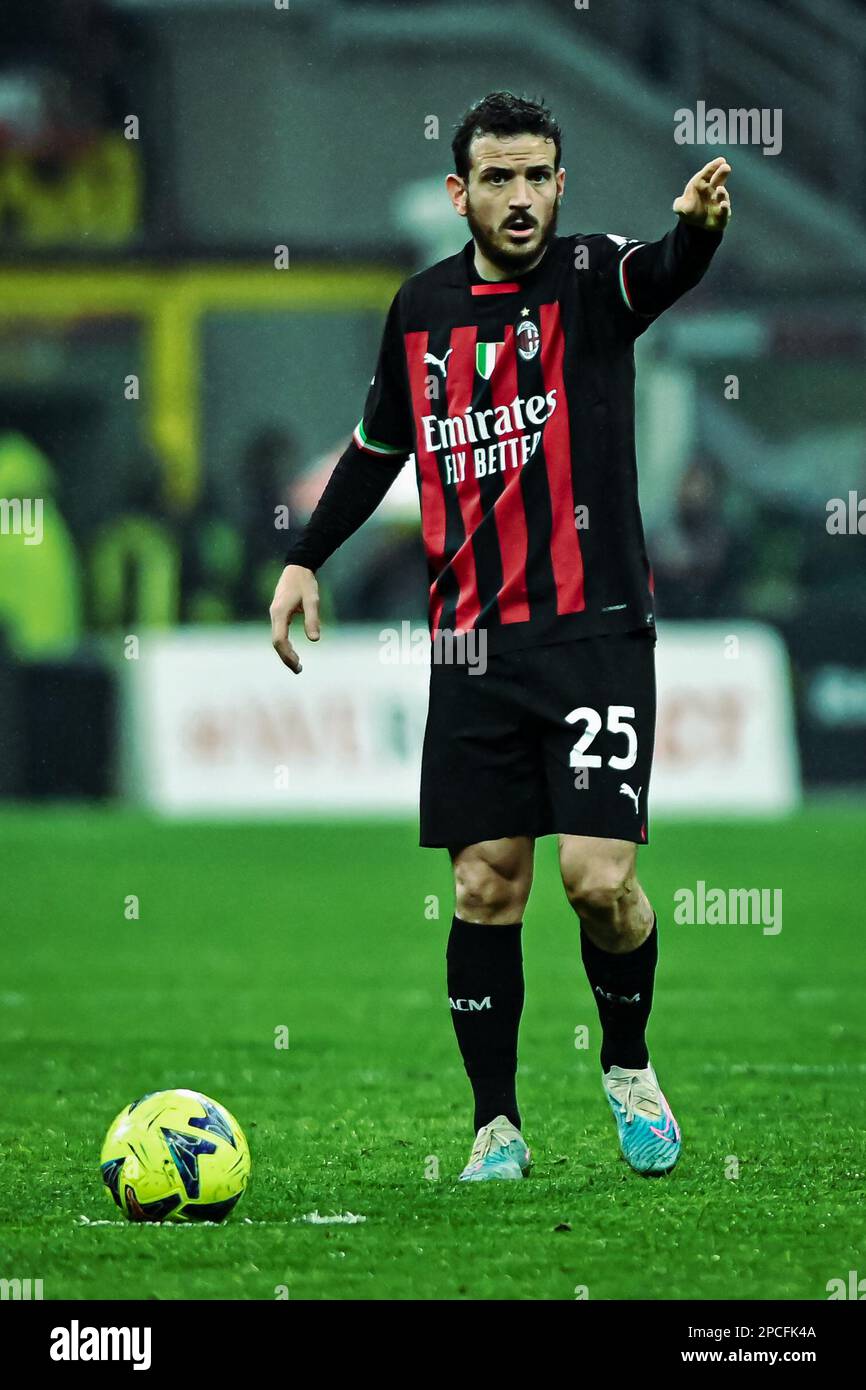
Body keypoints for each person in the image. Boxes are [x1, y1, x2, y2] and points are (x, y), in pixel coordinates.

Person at [270, 92, 731, 1181]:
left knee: (596, 880)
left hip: (595, 637)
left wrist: (698, 233)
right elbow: (379, 444)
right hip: (472, 647)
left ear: (559, 185)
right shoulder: (419, 309)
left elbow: (662, 269)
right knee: (484, 885)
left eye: (536, 177)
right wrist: (304, 557)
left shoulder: (591, 279)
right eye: (497, 178)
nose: (519, 198)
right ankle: (495, 1126)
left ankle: (625, 1066)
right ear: (458, 193)